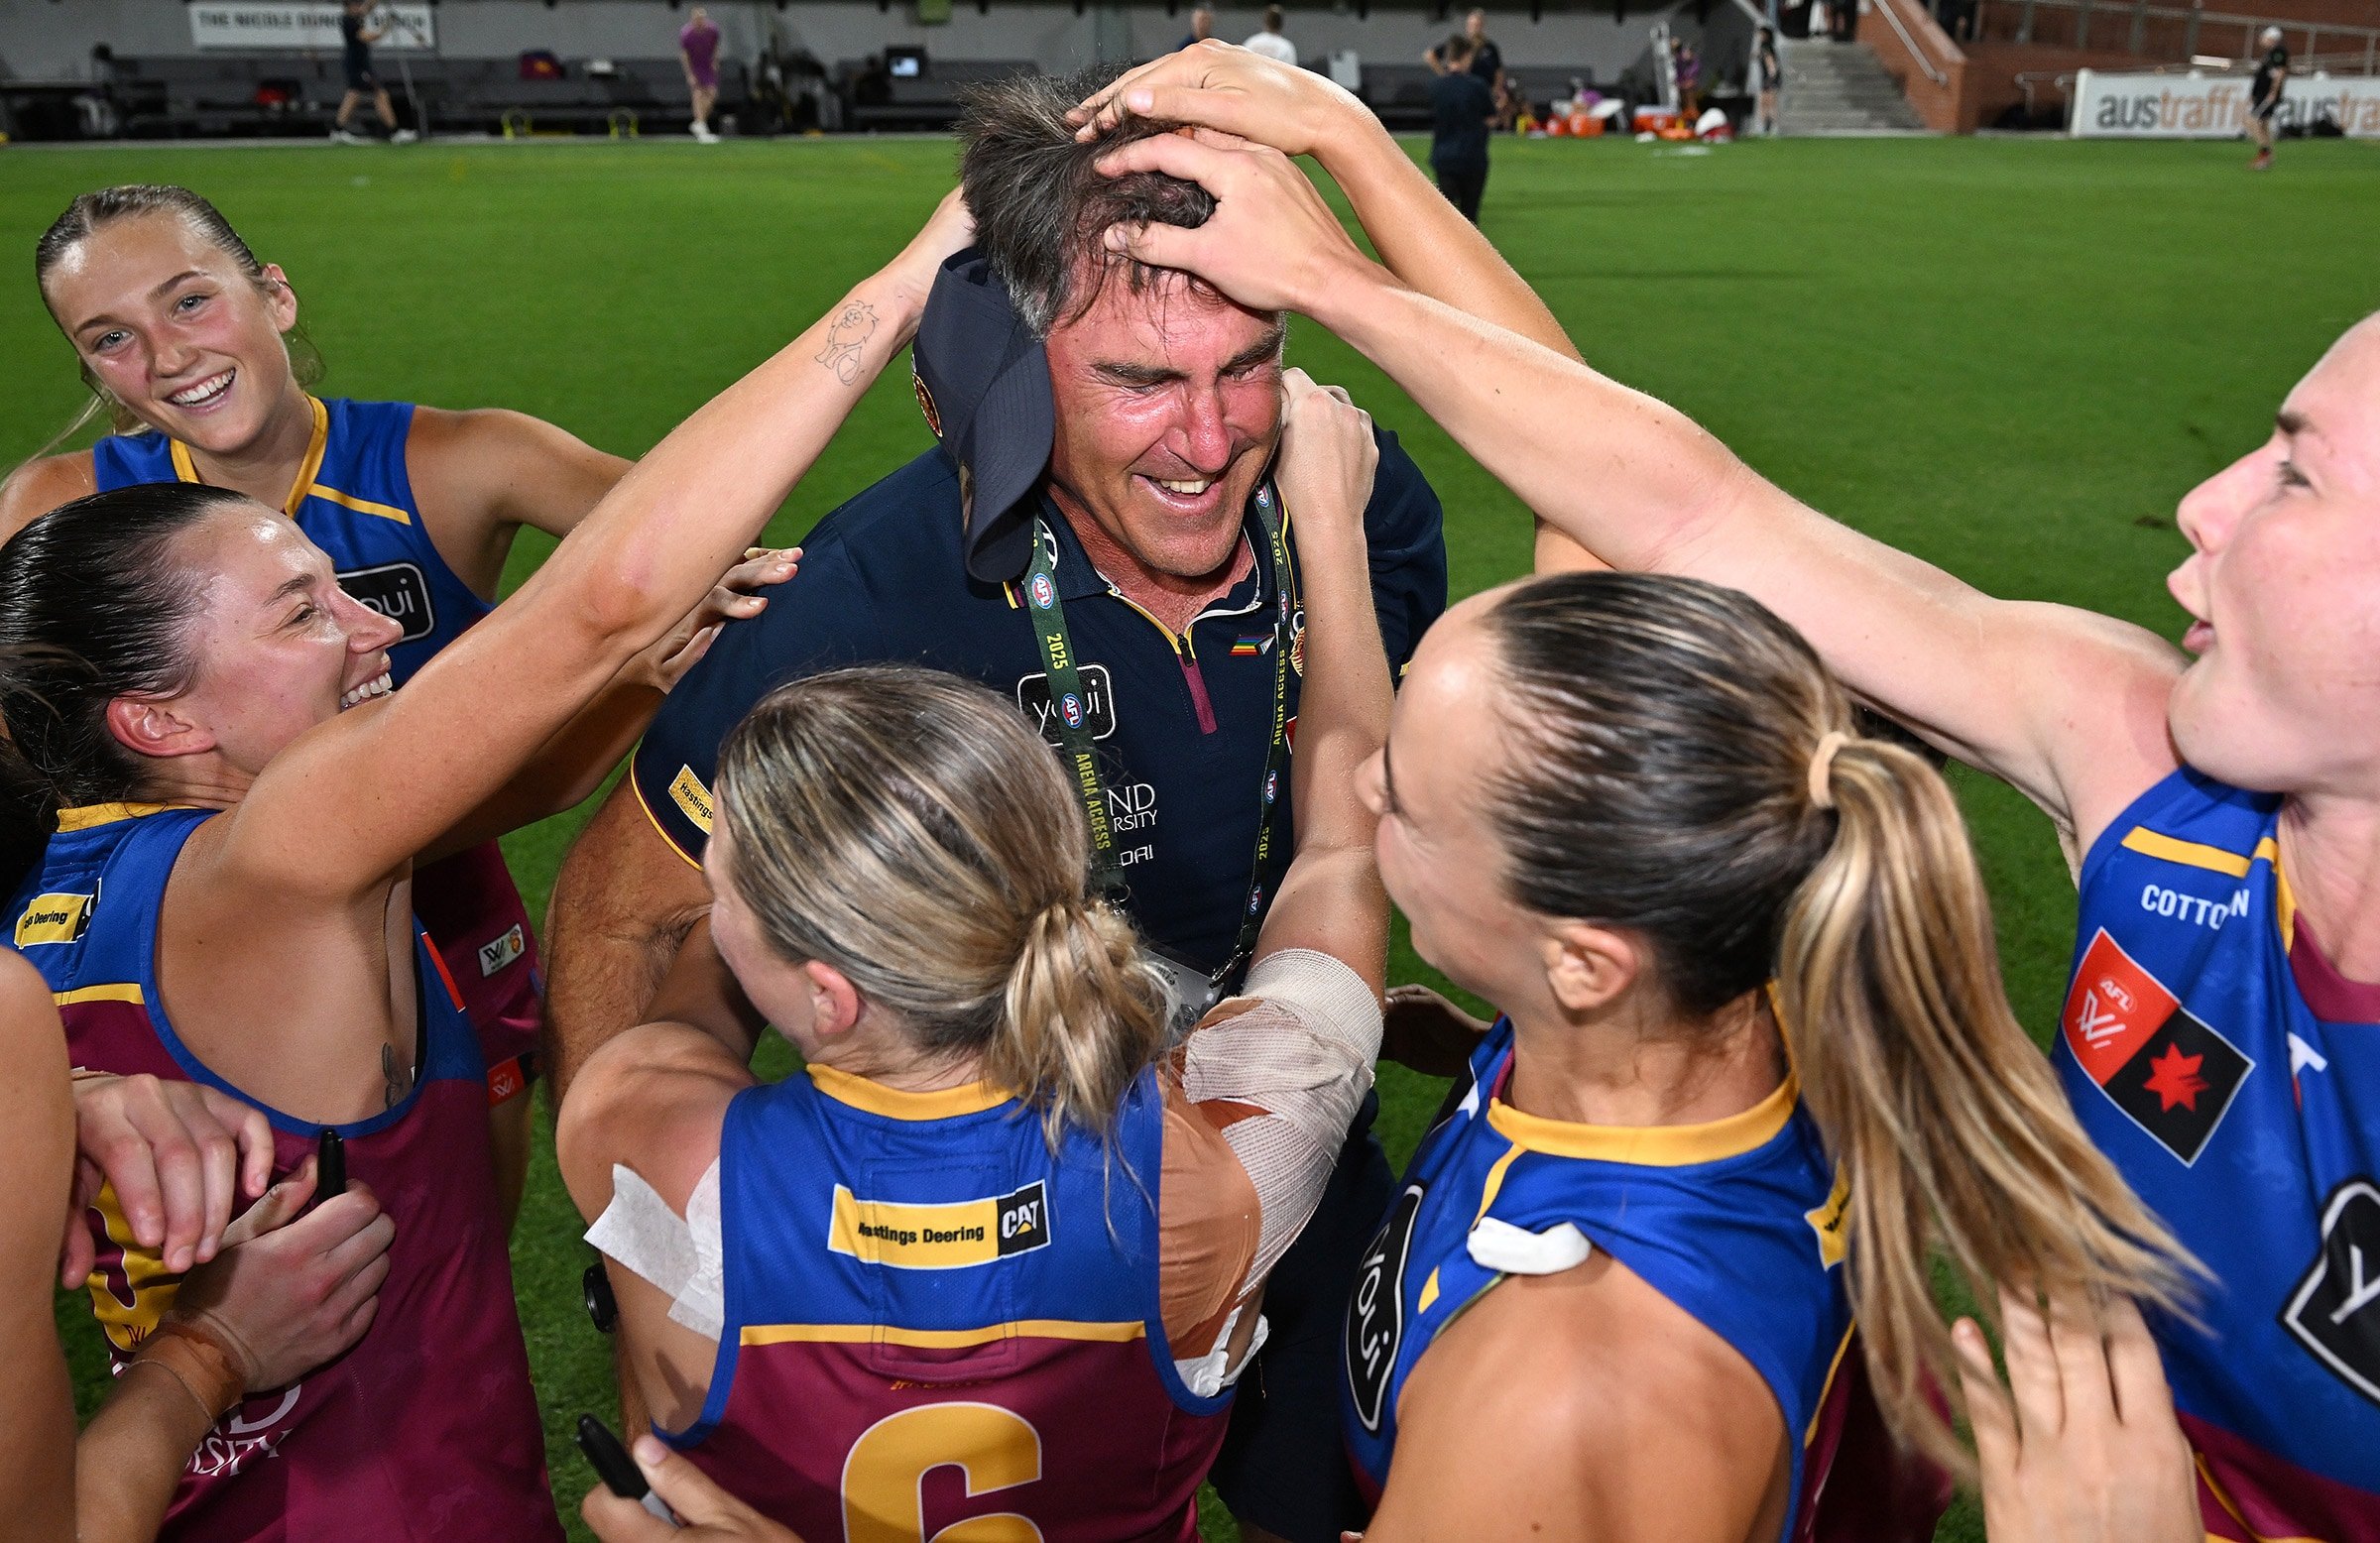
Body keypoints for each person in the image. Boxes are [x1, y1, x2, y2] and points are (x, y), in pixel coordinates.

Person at [1080, 66, 2380, 1538]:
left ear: (1588, 954)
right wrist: (1345, 169)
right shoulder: (2120, 791)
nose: (2207, 499)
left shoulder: (1575, 1372)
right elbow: (1675, 520)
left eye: (2299, 478)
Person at [543, 73, 1447, 1543]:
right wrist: (646, 1259)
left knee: (1386, 1489)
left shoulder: (1359, 500)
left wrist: (665, 1214)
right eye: (1144, 382)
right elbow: (630, 900)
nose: (1212, 440)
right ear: (1019, 376)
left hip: (1246, 1114)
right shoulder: (867, 592)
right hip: (1159, 1134)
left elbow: (1368, 778)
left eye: (1250, 364)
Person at [0, 189, 973, 1542]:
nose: (371, 625)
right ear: (156, 719)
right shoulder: (285, 860)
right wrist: (911, 279)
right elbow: (604, 597)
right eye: (303, 610)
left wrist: (79, 1091)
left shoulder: (47, 942)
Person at [2, 183, 641, 1230]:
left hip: (443, 903)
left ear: (275, 296)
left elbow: (691, 549)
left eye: (191, 303)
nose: (166, 358)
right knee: (248, 1257)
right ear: (94, 374)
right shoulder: (58, 511)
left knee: (459, 1242)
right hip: (196, 938)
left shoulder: (459, 463)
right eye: (112, 336)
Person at [1426, 36, 1495, 224]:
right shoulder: (1478, 86)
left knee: (1447, 219)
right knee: (1470, 217)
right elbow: (1490, 118)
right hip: (1472, 157)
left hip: (1444, 157)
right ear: (1466, 56)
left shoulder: (1436, 87)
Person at [331, 1, 415, 145]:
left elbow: (368, 6)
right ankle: (394, 132)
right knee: (380, 94)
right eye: (356, 5)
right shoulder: (349, 21)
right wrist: (386, 26)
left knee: (353, 96)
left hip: (360, 64)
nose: (359, 7)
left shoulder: (355, 16)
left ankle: (338, 130)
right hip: (358, 66)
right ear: (349, 6)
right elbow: (368, 37)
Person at [681, 6, 724, 143]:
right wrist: (690, 74)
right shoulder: (686, 33)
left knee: (712, 93)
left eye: (701, 18)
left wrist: (715, 61)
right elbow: (685, 55)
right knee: (698, 94)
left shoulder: (713, 30)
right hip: (696, 66)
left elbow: (716, 47)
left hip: (707, 65)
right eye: (696, 18)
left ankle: (699, 123)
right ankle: (701, 126)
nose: (699, 21)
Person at [2247, 26, 2287, 171]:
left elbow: (2280, 72)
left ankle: (2265, 154)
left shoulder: (2278, 52)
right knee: (2263, 125)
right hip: (2262, 94)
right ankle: (2269, 155)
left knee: (2251, 121)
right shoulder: (2270, 54)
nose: (2261, 39)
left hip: (2267, 95)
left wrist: (2273, 92)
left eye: (2264, 37)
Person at [1755, 27, 1782, 136]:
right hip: (1766, 77)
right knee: (1765, 102)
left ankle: (1772, 126)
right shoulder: (1764, 47)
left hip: (1769, 78)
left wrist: (1771, 78)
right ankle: (1766, 126)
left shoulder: (1767, 47)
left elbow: (1771, 64)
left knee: (1769, 102)